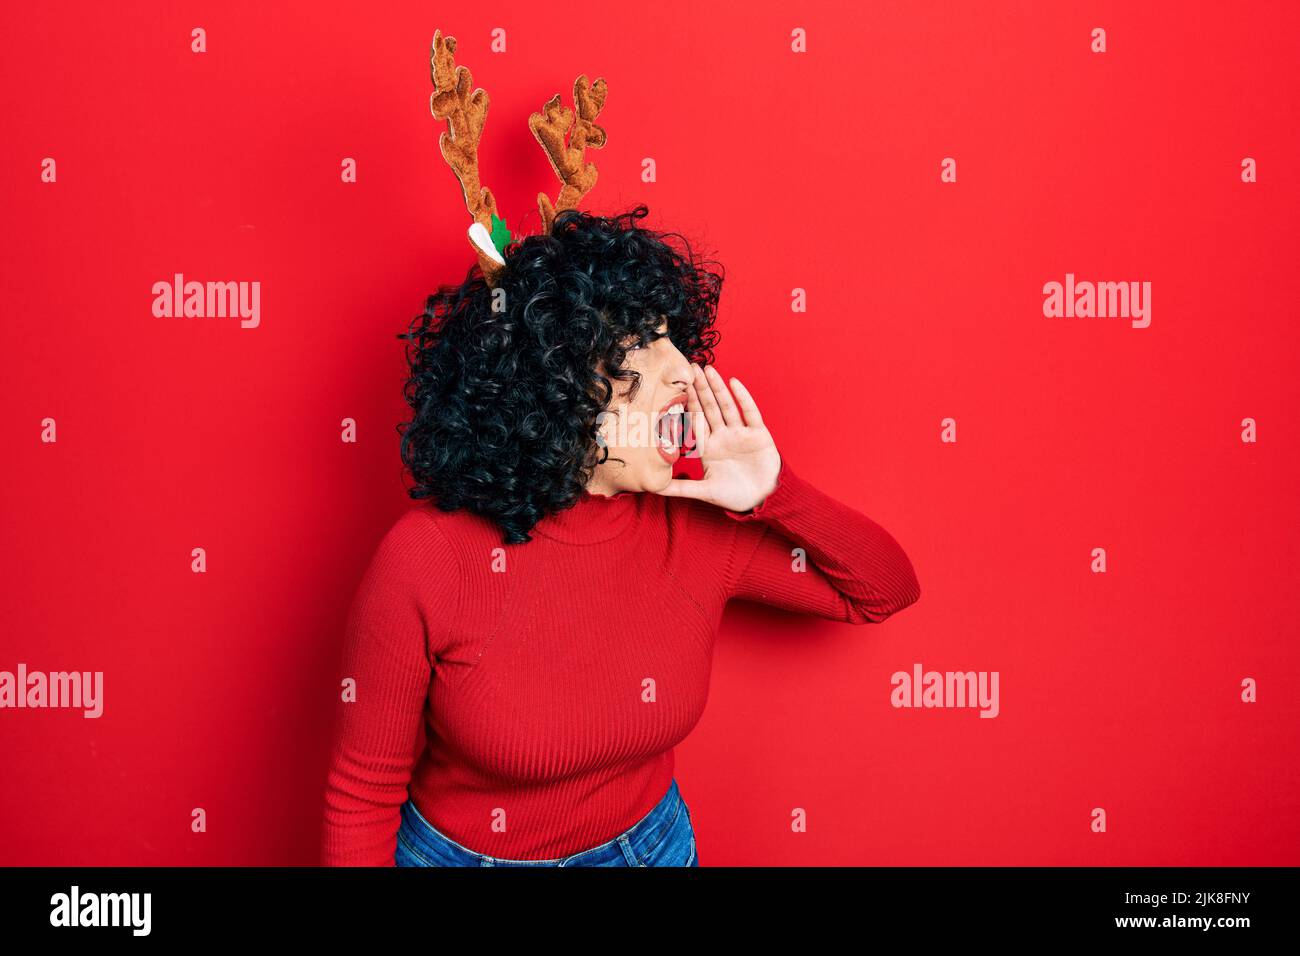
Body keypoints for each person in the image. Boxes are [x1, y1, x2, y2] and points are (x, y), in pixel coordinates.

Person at [318, 204, 922, 866]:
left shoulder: (693, 526)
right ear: (546, 390)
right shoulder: (428, 560)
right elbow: (363, 795)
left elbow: (883, 590)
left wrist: (775, 494)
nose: (682, 371)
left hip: (648, 849)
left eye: (670, 340)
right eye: (635, 346)